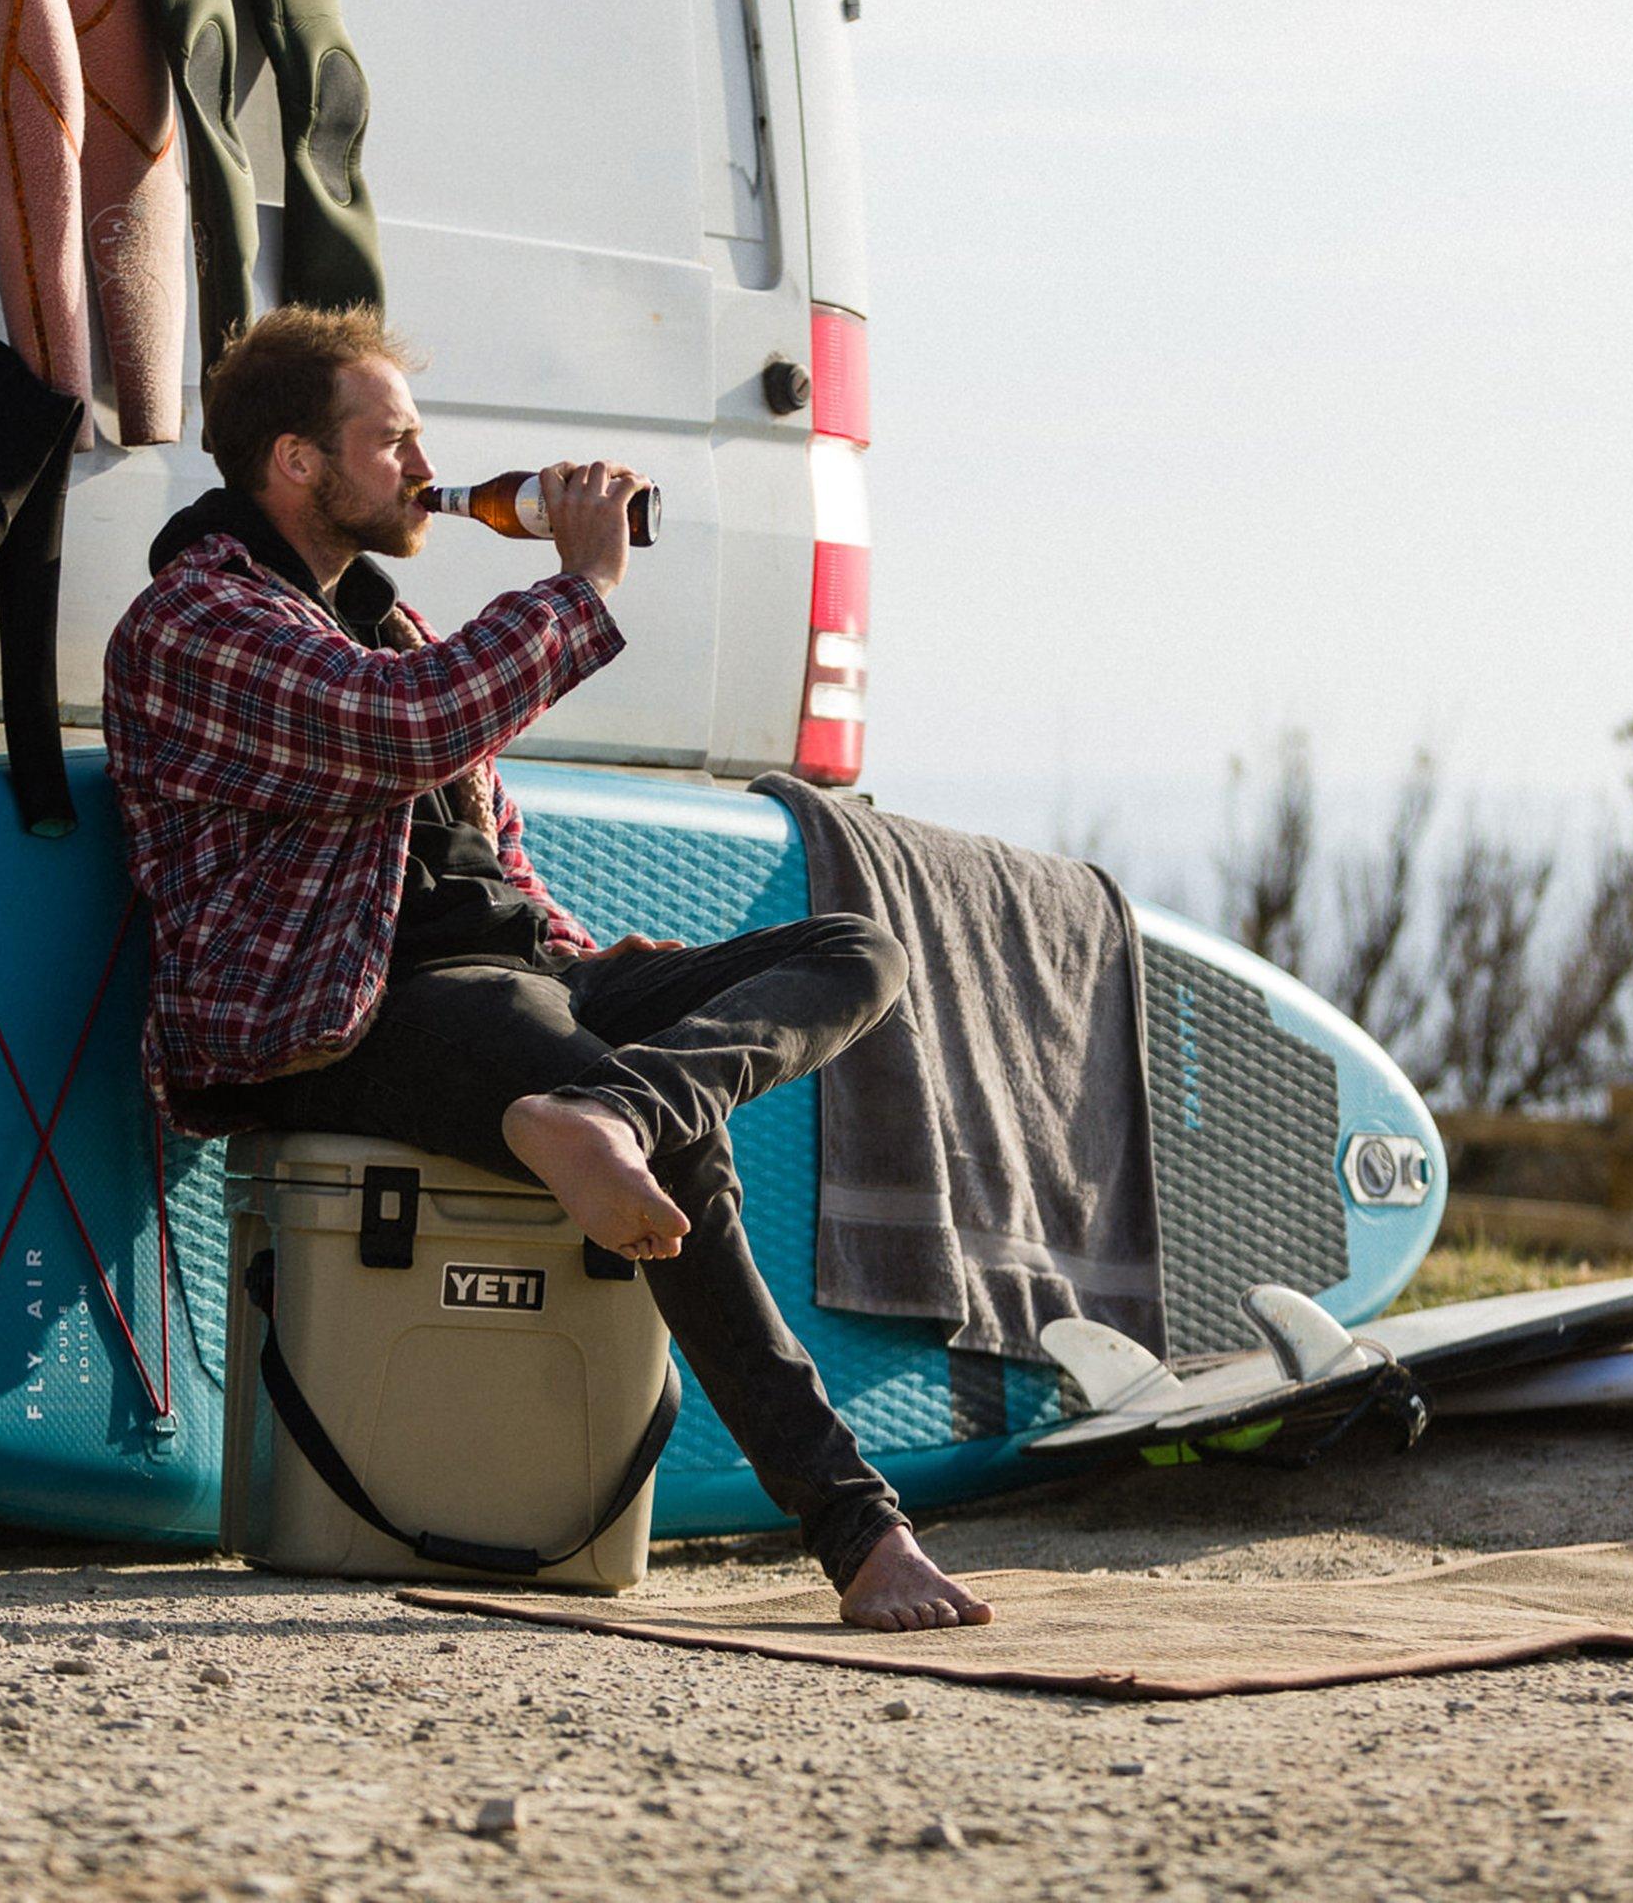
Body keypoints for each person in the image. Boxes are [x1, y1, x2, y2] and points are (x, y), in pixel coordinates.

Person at [101, 305, 991, 1631]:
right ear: (294, 463)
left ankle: (613, 1110)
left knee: (852, 948)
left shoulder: (381, 626)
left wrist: (596, 965)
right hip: (347, 1020)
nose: (422, 465)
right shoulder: (198, 623)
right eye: (390, 438)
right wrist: (581, 583)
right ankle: (859, 1533)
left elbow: (491, 867)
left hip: (502, 984)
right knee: (675, 1144)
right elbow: (406, 733)